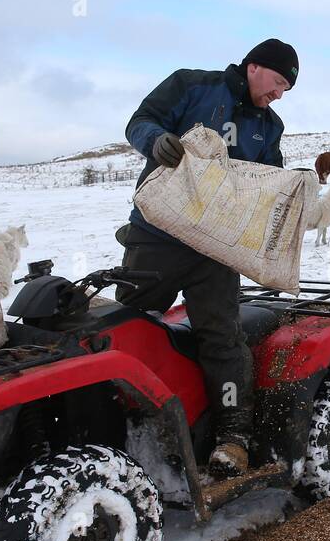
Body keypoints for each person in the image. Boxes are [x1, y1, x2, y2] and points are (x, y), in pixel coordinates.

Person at [117, 38, 298, 477]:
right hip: (156, 235)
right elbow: (140, 121)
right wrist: (156, 141)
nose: (278, 95)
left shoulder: (269, 127)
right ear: (255, 66)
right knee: (128, 329)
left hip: (216, 249)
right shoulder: (192, 86)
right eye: (277, 83)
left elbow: (264, 180)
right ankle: (123, 427)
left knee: (221, 338)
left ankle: (232, 436)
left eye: (285, 91)